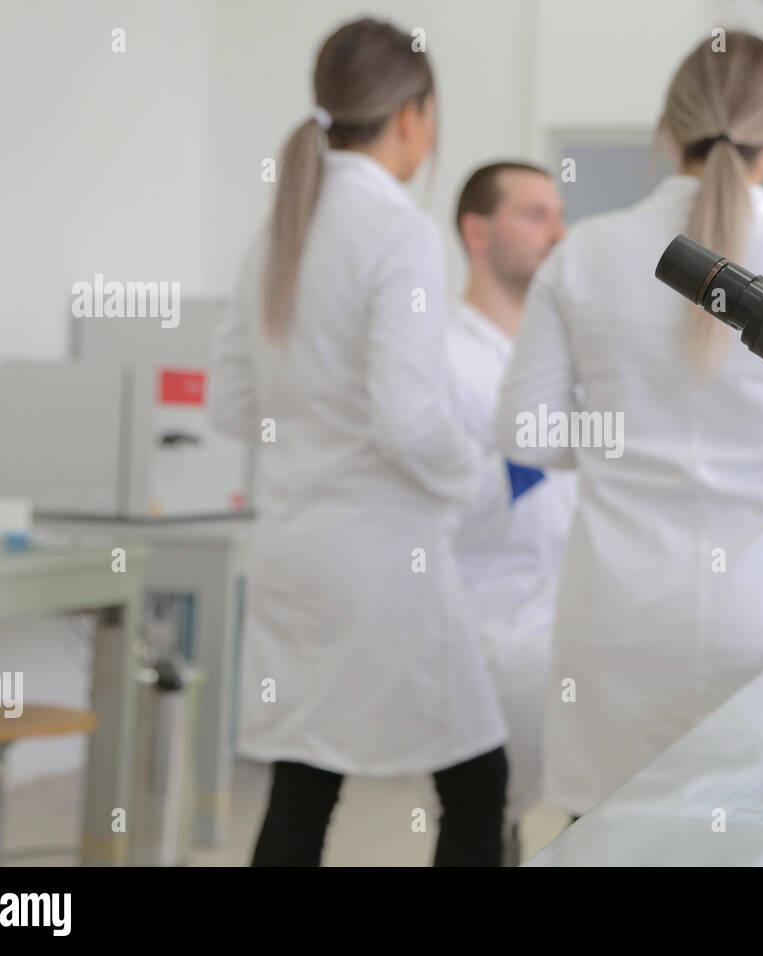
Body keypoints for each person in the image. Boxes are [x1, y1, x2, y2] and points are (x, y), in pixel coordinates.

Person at [497, 31, 763, 819]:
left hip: (615, 622)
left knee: (610, 838)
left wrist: (621, 440)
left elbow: (524, 430)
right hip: (762, 624)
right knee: (745, 839)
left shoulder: (584, 253)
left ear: (666, 129)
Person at [206, 18, 507, 867]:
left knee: (303, 787)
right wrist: (473, 475)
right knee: (478, 783)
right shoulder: (399, 231)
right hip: (382, 562)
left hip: (293, 556)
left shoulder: (277, 230)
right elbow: (405, 417)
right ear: (414, 114)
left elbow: (230, 405)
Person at [446, 162, 575, 863]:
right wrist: (527, 460)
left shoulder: (562, 355)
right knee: (481, 817)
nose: (558, 232)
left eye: (558, 213)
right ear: (476, 230)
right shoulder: (443, 356)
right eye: (534, 214)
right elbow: (441, 504)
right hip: (486, 622)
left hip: (568, 616)